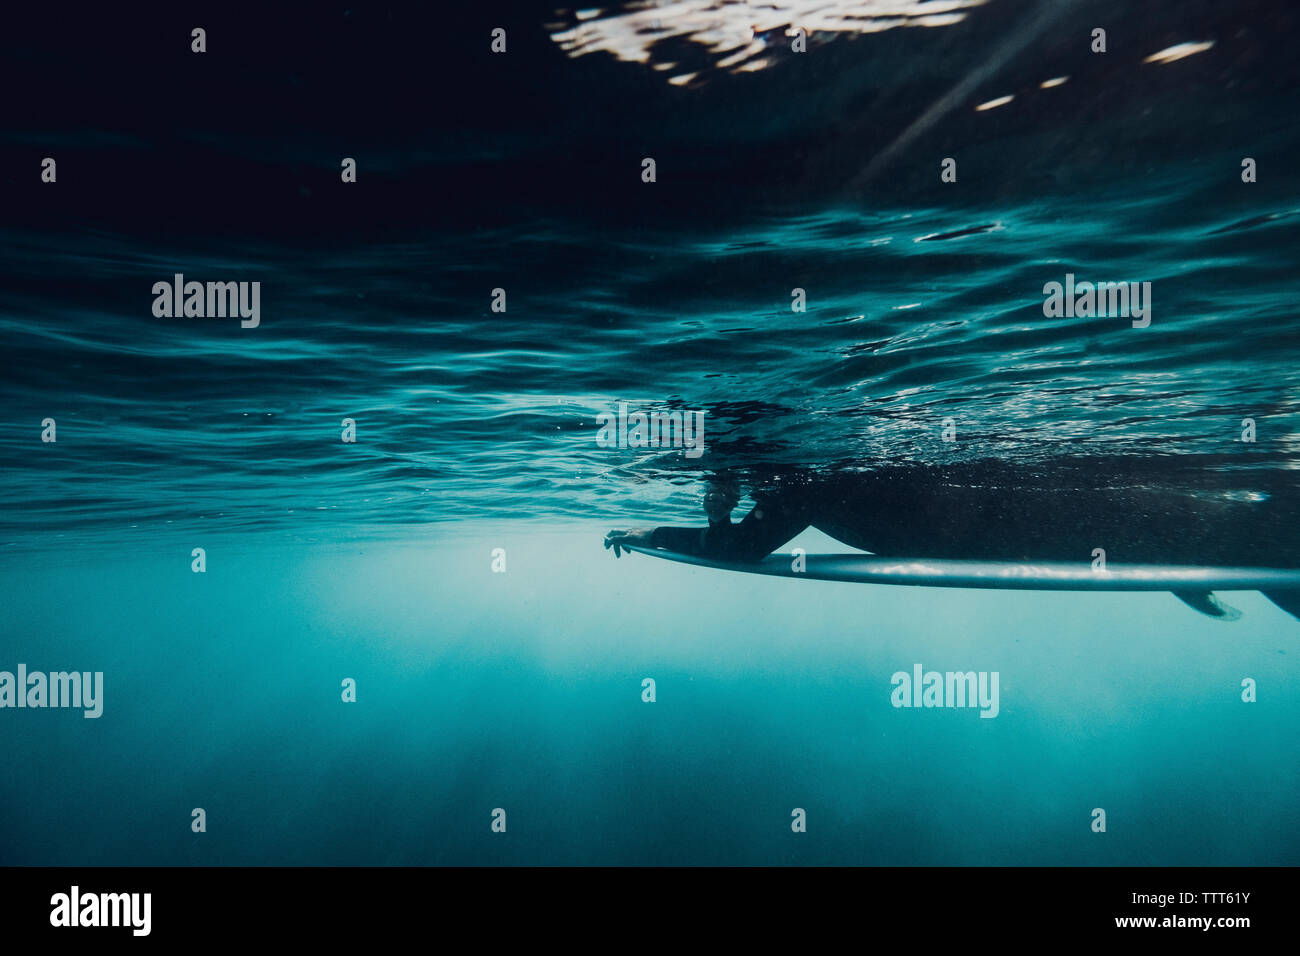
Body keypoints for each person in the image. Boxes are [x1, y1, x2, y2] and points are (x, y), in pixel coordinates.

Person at [604, 461, 1300, 619]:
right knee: (1153, 521)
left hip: (1008, 521)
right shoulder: (806, 479)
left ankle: (1204, 557)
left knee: (1157, 527)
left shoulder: (797, 485)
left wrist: (652, 530)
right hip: (1022, 509)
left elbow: (737, 551)